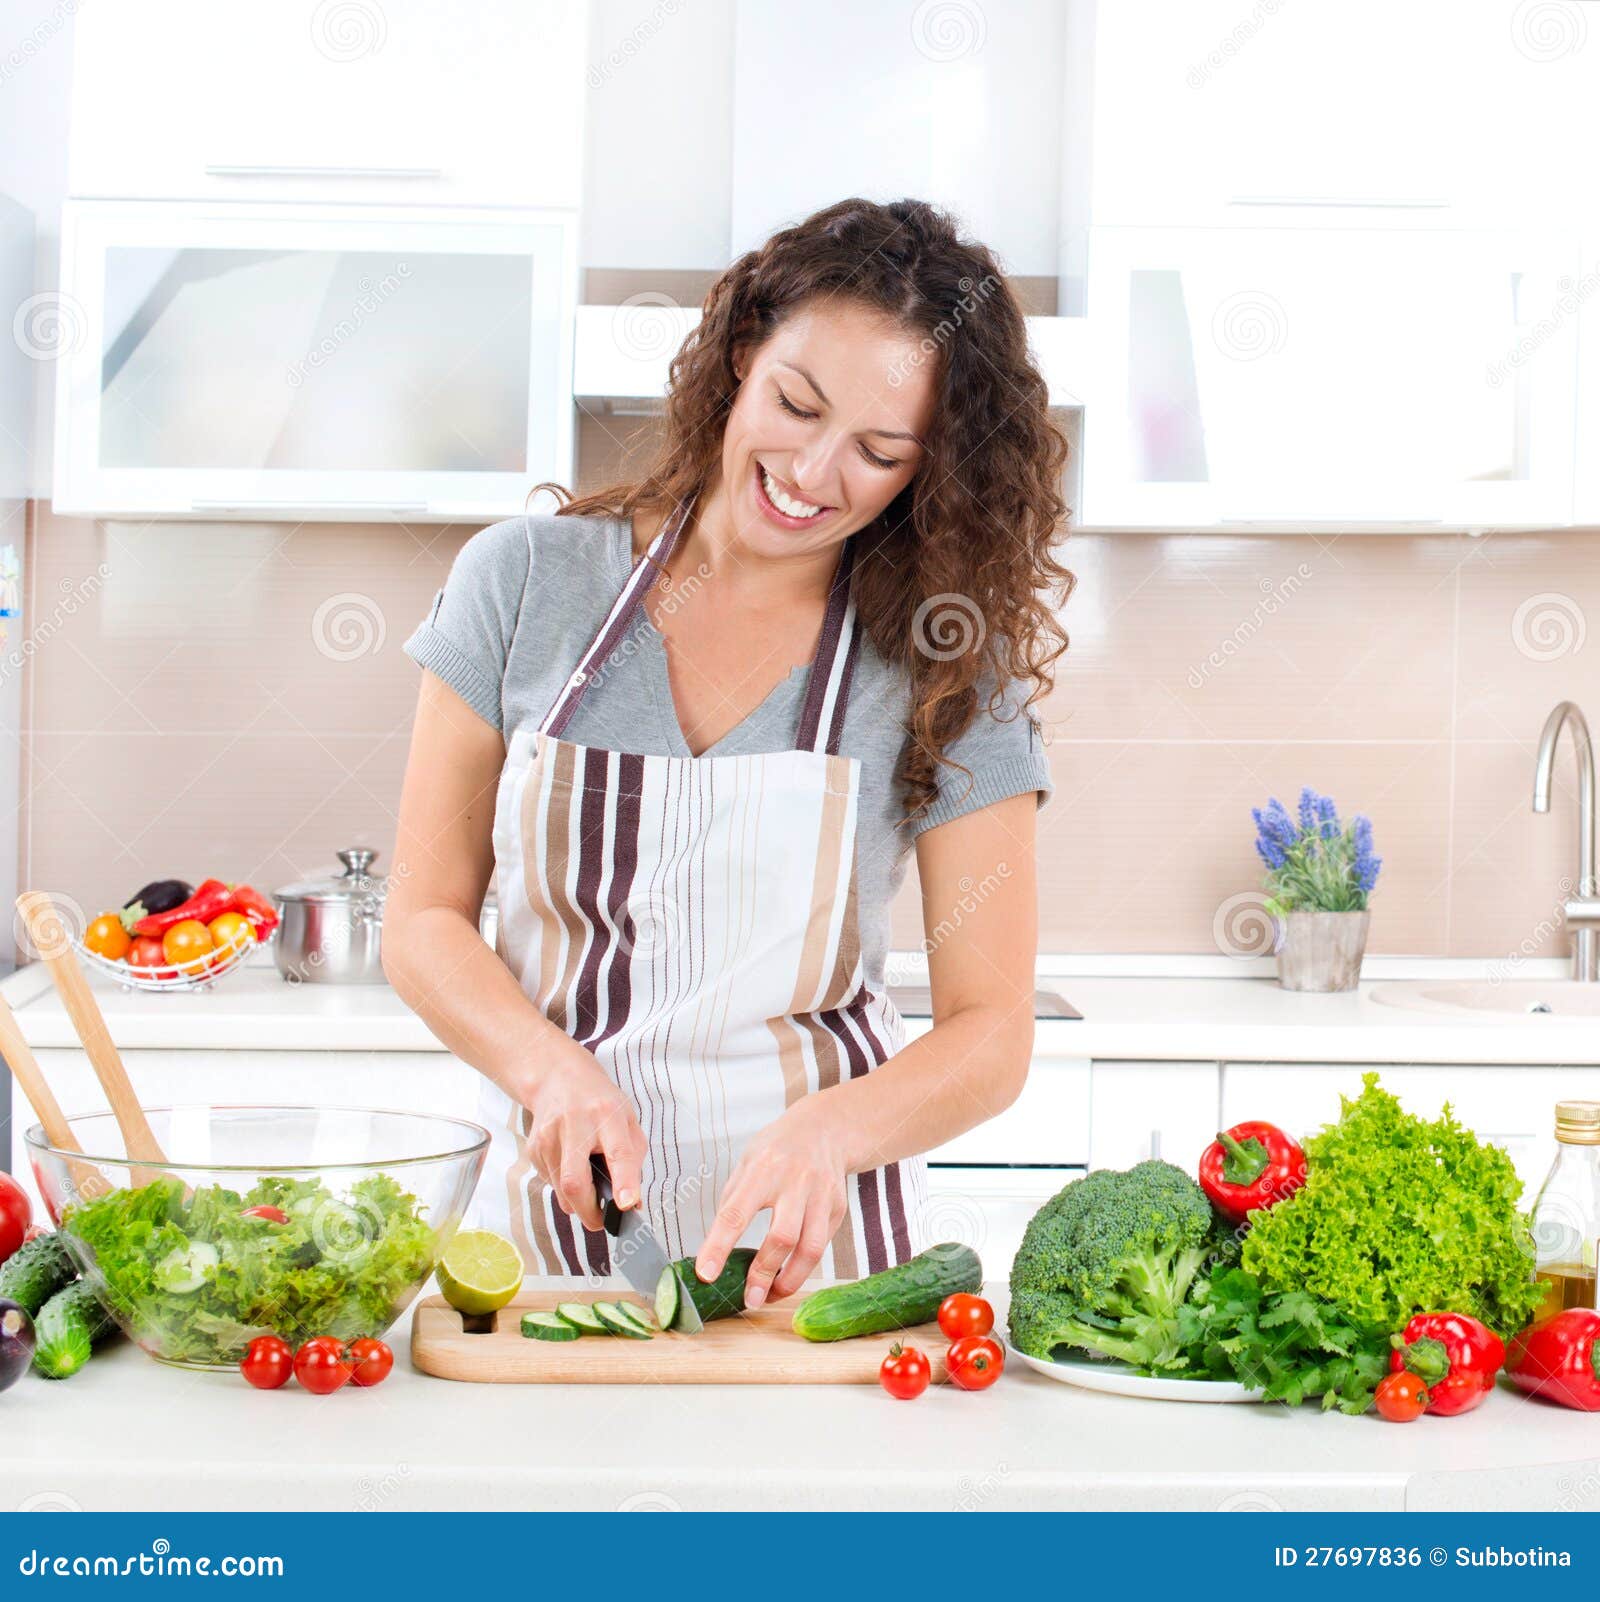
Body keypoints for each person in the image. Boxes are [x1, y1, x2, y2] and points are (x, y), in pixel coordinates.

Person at [385, 197, 1072, 1310]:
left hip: (818, 1281)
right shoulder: (521, 584)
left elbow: (991, 1033)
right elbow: (420, 923)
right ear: (742, 354)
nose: (812, 471)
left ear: (927, 471)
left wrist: (831, 1133)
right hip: (543, 1250)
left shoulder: (943, 664)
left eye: (879, 451)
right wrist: (548, 1069)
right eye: (796, 405)